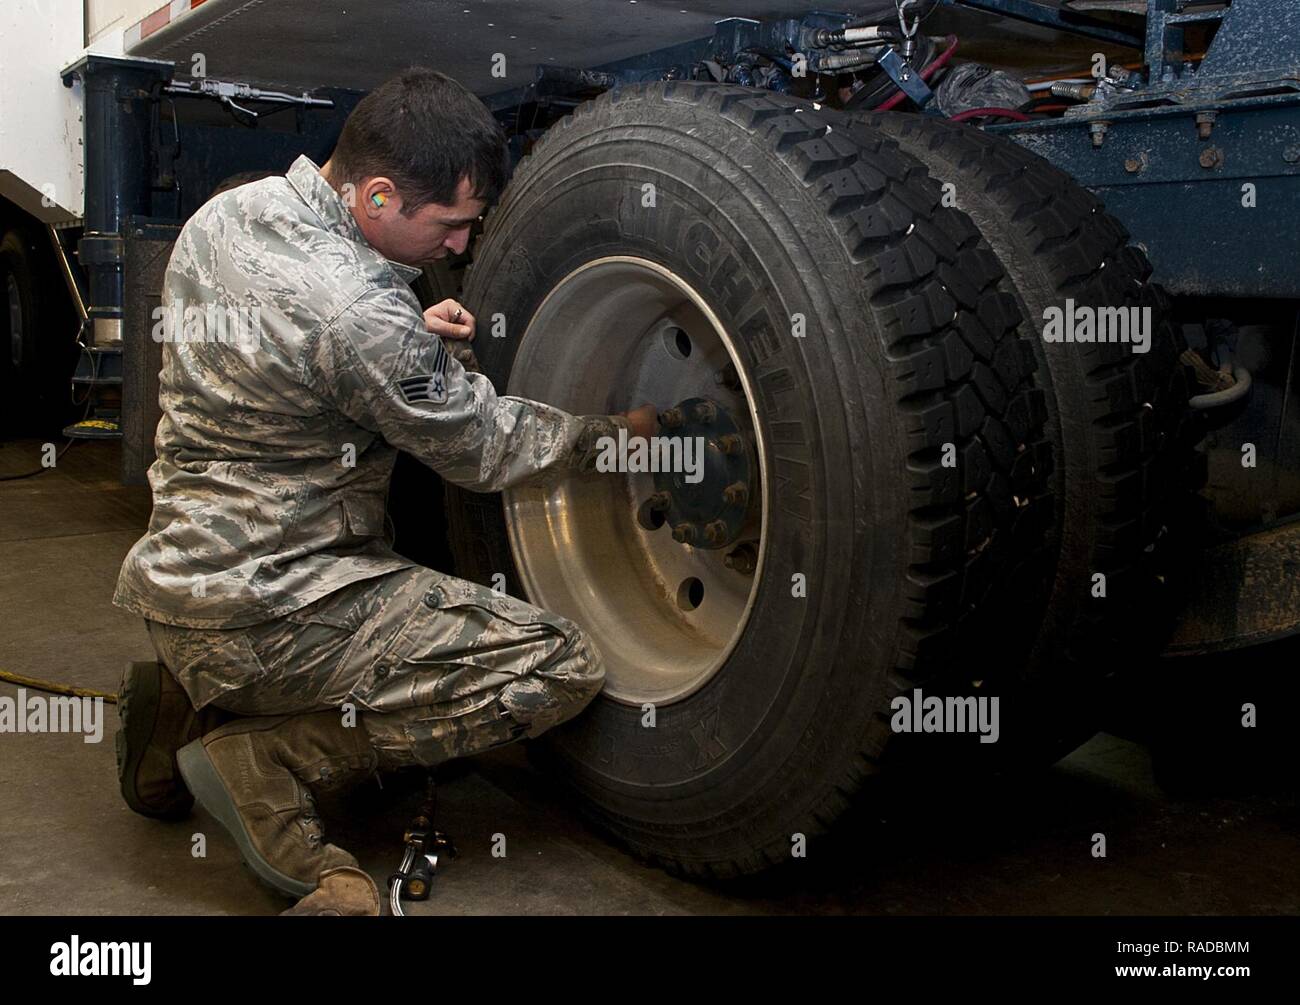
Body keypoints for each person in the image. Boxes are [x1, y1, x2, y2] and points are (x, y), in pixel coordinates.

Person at [111, 66, 657, 916]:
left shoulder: (228, 215)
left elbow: (298, 345)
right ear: (374, 195)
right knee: (557, 664)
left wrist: (403, 336)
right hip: (280, 611)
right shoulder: (361, 314)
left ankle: (185, 693)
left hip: (180, 576)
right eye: (450, 226)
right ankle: (268, 758)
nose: (460, 250)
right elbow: (484, 447)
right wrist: (621, 437)